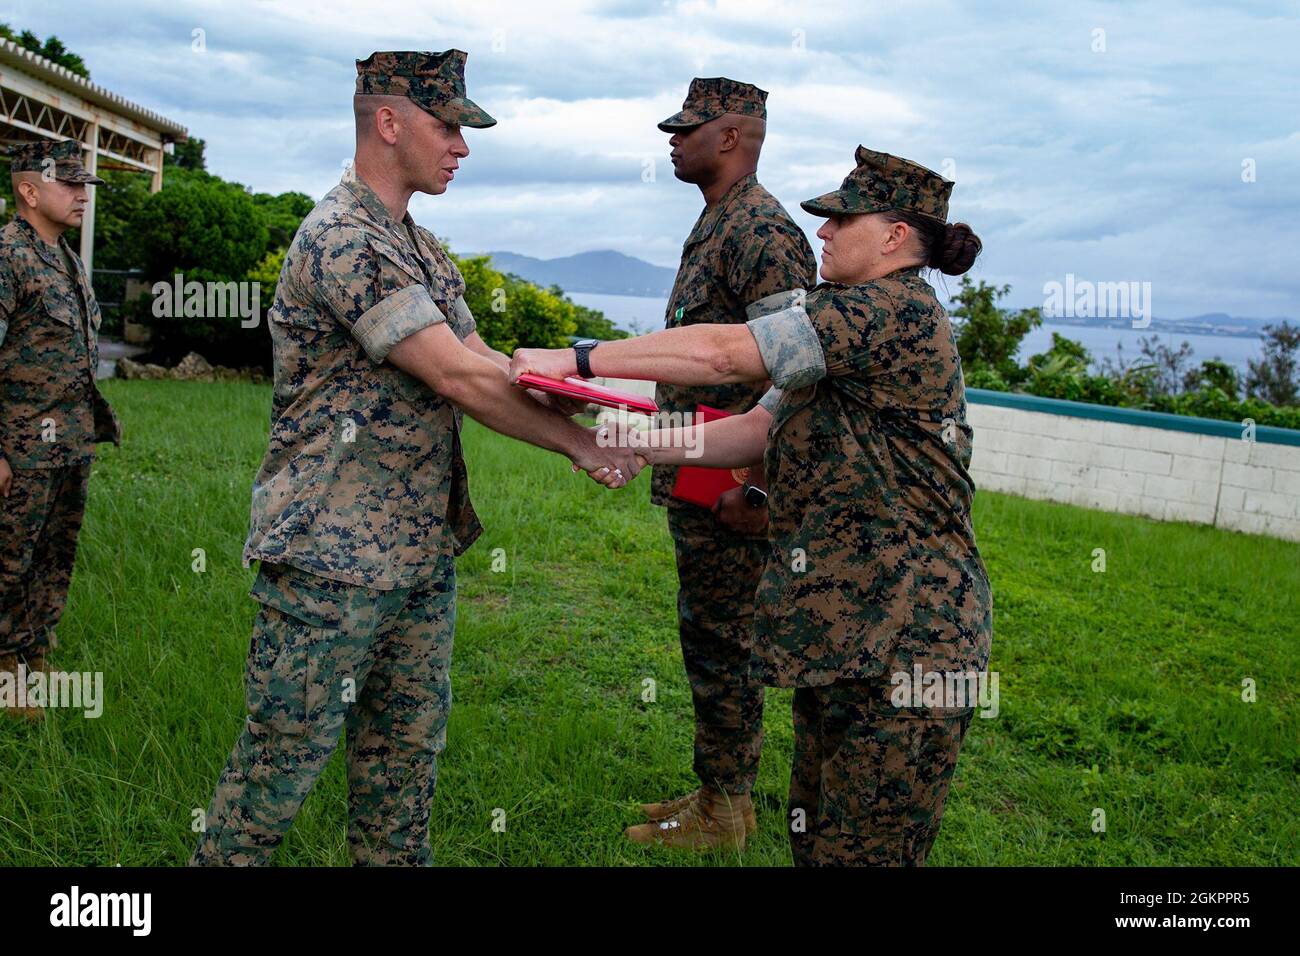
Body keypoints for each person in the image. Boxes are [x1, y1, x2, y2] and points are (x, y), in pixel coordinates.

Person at [191, 49, 640, 866]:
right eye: (449, 126)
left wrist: (585, 396)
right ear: (388, 122)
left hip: (417, 556)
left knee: (403, 771)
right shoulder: (341, 238)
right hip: (329, 561)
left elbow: (484, 359)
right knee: (272, 782)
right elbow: (455, 372)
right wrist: (580, 441)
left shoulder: (420, 247)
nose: (463, 146)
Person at [511, 146, 993, 866]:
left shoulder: (894, 313)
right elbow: (750, 430)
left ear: (895, 237)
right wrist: (617, 435)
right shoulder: (838, 327)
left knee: (866, 853)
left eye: (842, 219)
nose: (822, 233)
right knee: (817, 840)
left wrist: (578, 359)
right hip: (849, 634)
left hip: (911, 639)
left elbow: (723, 358)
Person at [617, 77, 816, 850]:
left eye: (687, 127)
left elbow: (798, 372)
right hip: (702, 471)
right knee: (709, 635)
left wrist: (758, 485)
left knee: (725, 642)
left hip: (732, 482)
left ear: (731, 136)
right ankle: (719, 790)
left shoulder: (763, 231)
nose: (672, 138)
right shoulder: (720, 222)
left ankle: (726, 811)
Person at [0, 139, 120, 721]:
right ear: (28, 190)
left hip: (68, 442)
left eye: (84, 186)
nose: (81, 196)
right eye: (69, 185)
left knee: (53, 555)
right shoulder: (8, 256)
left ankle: (33, 653)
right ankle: (3, 672)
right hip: (19, 447)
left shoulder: (65, 257)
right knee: (8, 557)